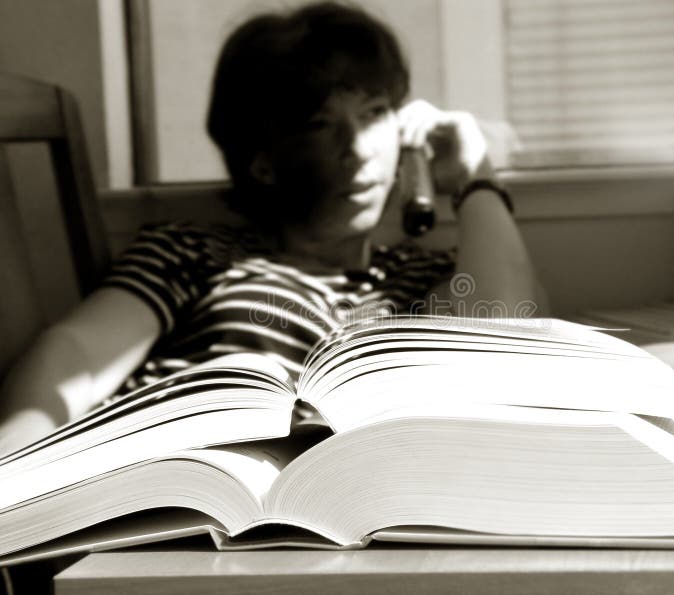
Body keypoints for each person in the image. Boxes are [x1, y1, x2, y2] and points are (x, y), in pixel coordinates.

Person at [0, 1, 548, 457]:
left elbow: (502, 332)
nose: (358, 150)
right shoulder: (195, 252)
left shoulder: (422, 276)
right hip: (170, 498)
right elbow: (74, 357)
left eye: (375, 113)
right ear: (262, 159)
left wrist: (473, 178)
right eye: (319, 124)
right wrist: (15, 480)